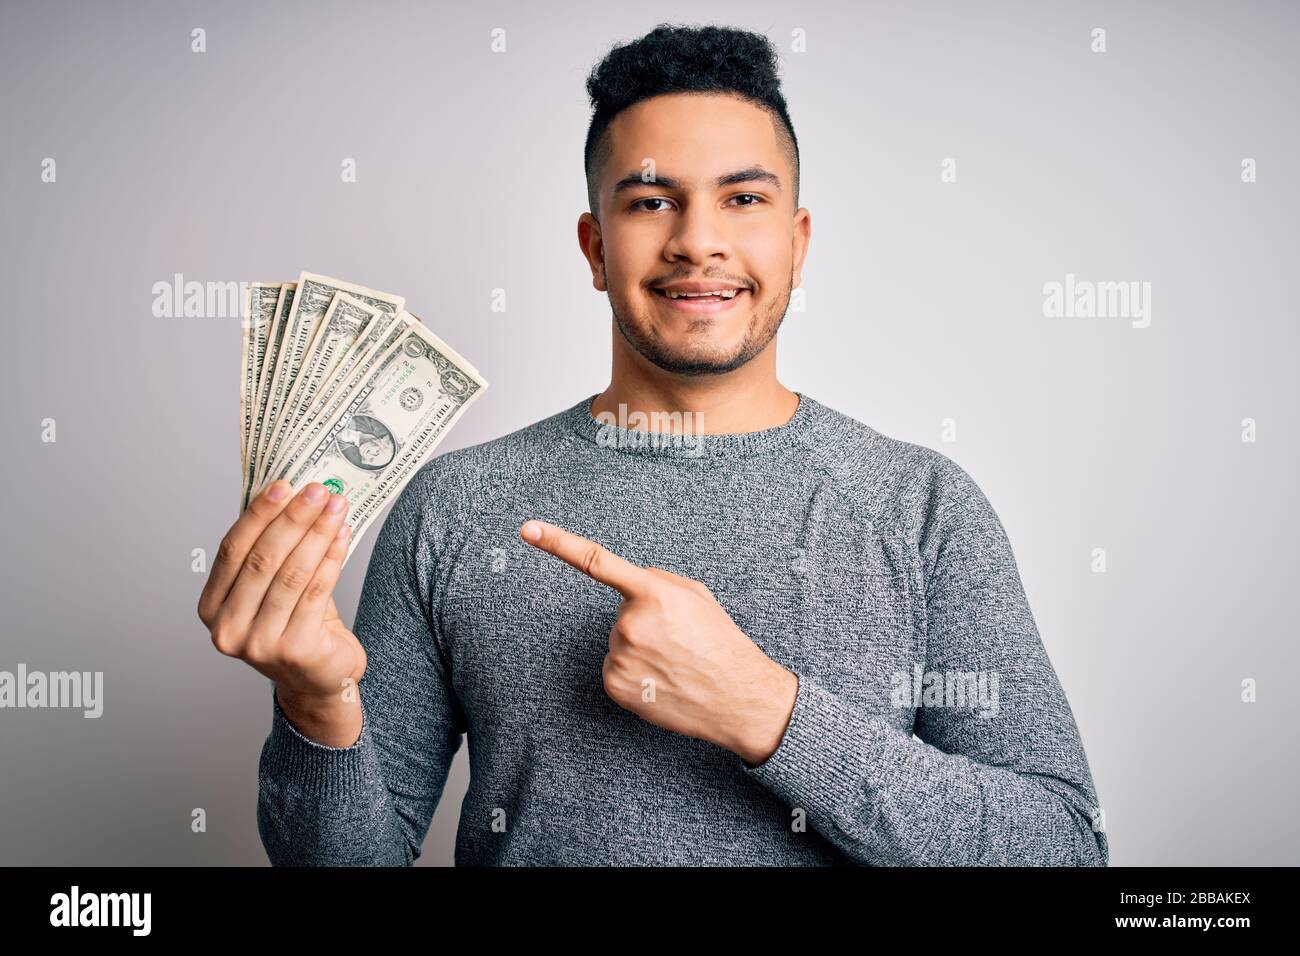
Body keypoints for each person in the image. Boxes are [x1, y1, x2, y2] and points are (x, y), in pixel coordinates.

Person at [198, 23, 1108, 866]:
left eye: (742, 198)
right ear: (595, 248)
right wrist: (315, 706)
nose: (698, 241)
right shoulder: (454, 505)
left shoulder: (922, 507)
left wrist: (765, 710)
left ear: (797, 244)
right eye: (651, 201)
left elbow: (1063, 847)